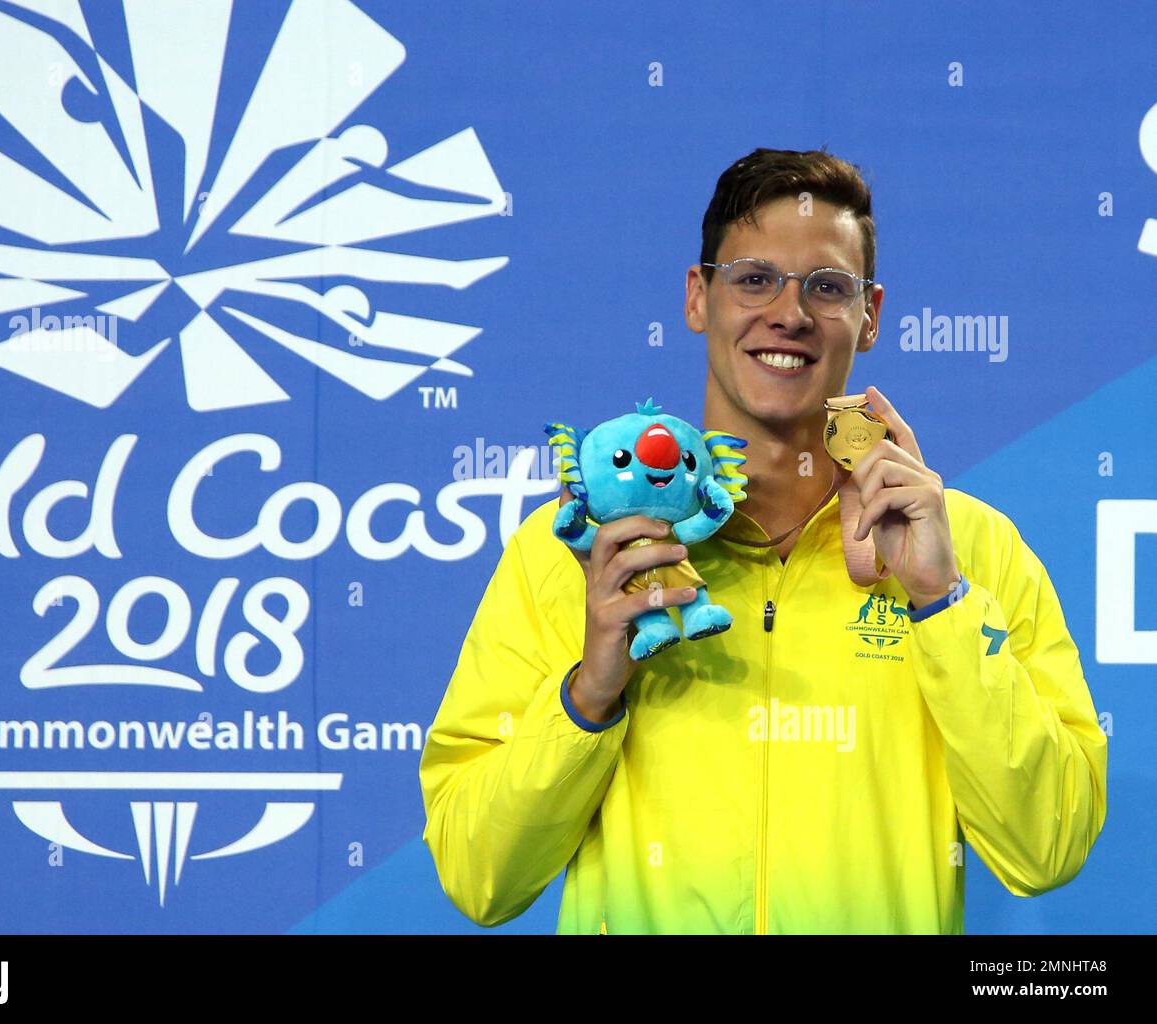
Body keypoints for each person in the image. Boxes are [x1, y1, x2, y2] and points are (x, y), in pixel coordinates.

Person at [418, 147, 1107, 934]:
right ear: (696, 296)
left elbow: (1048, 848)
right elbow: (478, 877)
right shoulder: (572, 553)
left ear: (871, 314)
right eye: (753, 278)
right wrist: (588, 696)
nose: (789, 313)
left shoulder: (968, 549)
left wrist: (939, 604)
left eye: (827, 287)